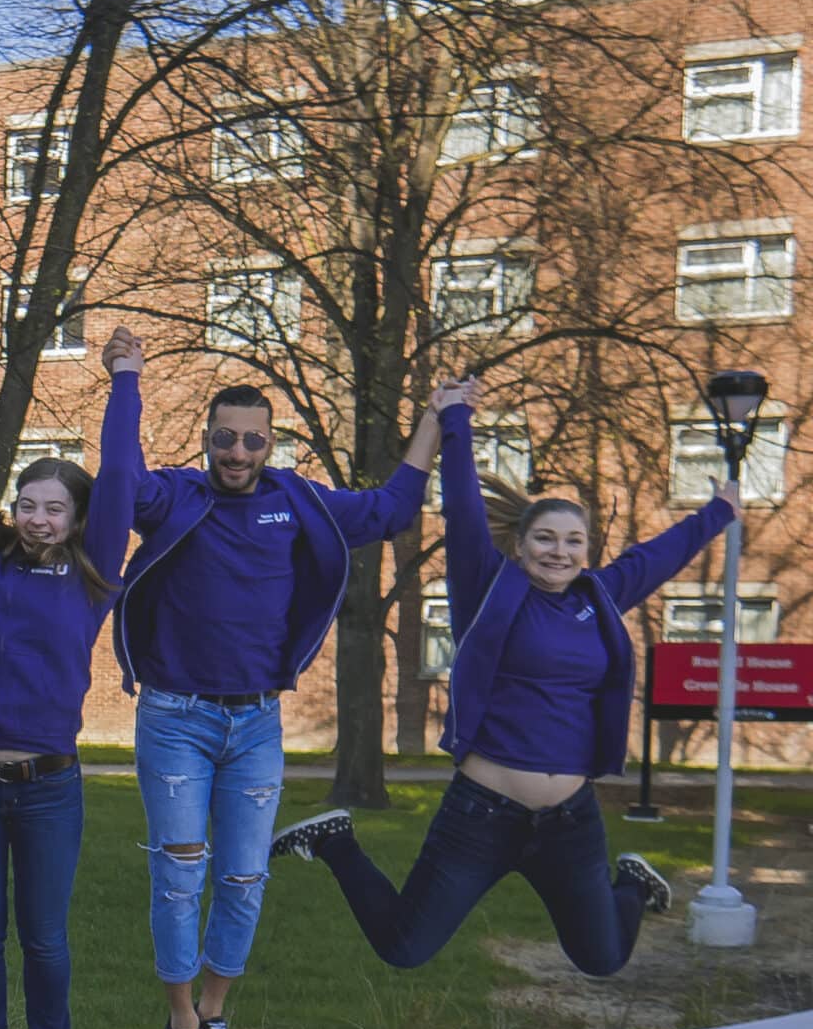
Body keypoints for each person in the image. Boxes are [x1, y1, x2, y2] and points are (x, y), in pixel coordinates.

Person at [270, 384, 735, 976]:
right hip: (481, 816)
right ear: (519, 545)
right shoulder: (488, 590)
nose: (559, 552)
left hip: (569, 820)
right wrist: (455, 418)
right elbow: (463, 507)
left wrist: (719, 509)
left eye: (574, 542)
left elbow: (661, 555)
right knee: (403, 946)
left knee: (603, 957)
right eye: (545, 538)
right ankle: (336, 841)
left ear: (587, 552)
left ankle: (634, 887)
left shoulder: (600, 595)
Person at [116, 372, 437, 1029]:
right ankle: (180, 1018)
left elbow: (393, 508)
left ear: (271, 442)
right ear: (205, 438)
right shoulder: (176, 496)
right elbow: (124, 486)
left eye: (252, 438)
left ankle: (217, 1008)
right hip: (175, 719)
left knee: (244, 877)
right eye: (224, 437)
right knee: (179, 873)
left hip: (257, 721)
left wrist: (434, 418)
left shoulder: (299, 502)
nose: (237, 451)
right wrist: (130, 381)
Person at [0, 327, 143, 1029]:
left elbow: (122, 473)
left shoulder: (94, 576)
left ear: (80, 518)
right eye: (28, 503)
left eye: (55, 507)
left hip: (49, 788)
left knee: (45, 942)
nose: (38, 517)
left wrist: (124, 378)